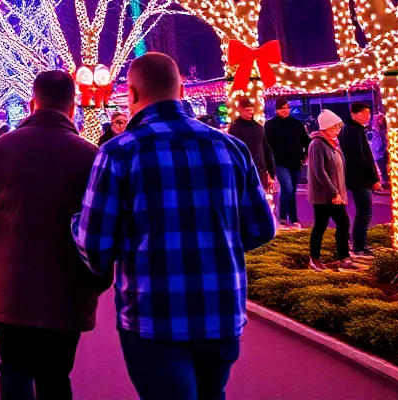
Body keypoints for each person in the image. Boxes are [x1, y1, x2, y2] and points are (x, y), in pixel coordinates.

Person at [72, 53, 275, 400]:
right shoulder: (231, 147)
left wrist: (78, 223)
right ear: (182, 90)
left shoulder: (119, 152)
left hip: (153, 313)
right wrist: (216, 243)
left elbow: (95, 245)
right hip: (221, 309)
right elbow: (262, 227)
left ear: (132, 95)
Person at [0, 71, 111, 400]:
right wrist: (96, 278)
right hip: (69, 287)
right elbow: (106, 227)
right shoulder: (92, 157)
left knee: (14, 367)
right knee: (56, 374)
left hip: (10, 287)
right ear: (73, 108)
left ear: (31, 104)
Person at [309, 110, 352, 270]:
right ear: (326, 128)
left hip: (335, 193)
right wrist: (333, 192)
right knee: (322, 225)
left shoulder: (332, 142)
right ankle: (315, 258)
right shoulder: (317, 144)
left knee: (340, 222)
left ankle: (343, 256)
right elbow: (319, 170)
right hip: (324, 194)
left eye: (339, 127)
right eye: (335, 127)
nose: (338, 130)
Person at [341, 102, 381, 257]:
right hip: (360, 178)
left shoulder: (354, 129)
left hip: (359, 177)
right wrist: (373, 177)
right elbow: (359, 157)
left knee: (363, 212)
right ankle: (359, 245)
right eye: (365, 113)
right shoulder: (352, 130)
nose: (368, 117)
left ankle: (359, 244)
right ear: (355, 113)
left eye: (369, 113)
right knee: (365, 212)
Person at [265, 101, 308, 229]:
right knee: (287, 188)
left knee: (292, 191)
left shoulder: (297, 124)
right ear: (277, 110)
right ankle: (282, 216)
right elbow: (267, 145)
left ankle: (293, 217)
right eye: (281, 108)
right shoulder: (270, 125)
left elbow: (305, 141)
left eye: (287, 108)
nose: (285, 110)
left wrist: (305, 155)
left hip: (295, 161)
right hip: (279, 162)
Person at [227, 97, 276, 200]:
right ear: (240, 111)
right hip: (244, 171)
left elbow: (266, 149)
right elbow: (231, 152)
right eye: (247, 110)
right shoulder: (235, 129)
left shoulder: (259, 128)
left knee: (264, 201)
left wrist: (271, 172)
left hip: (261, 170)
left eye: (251, 109)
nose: (250, 112)